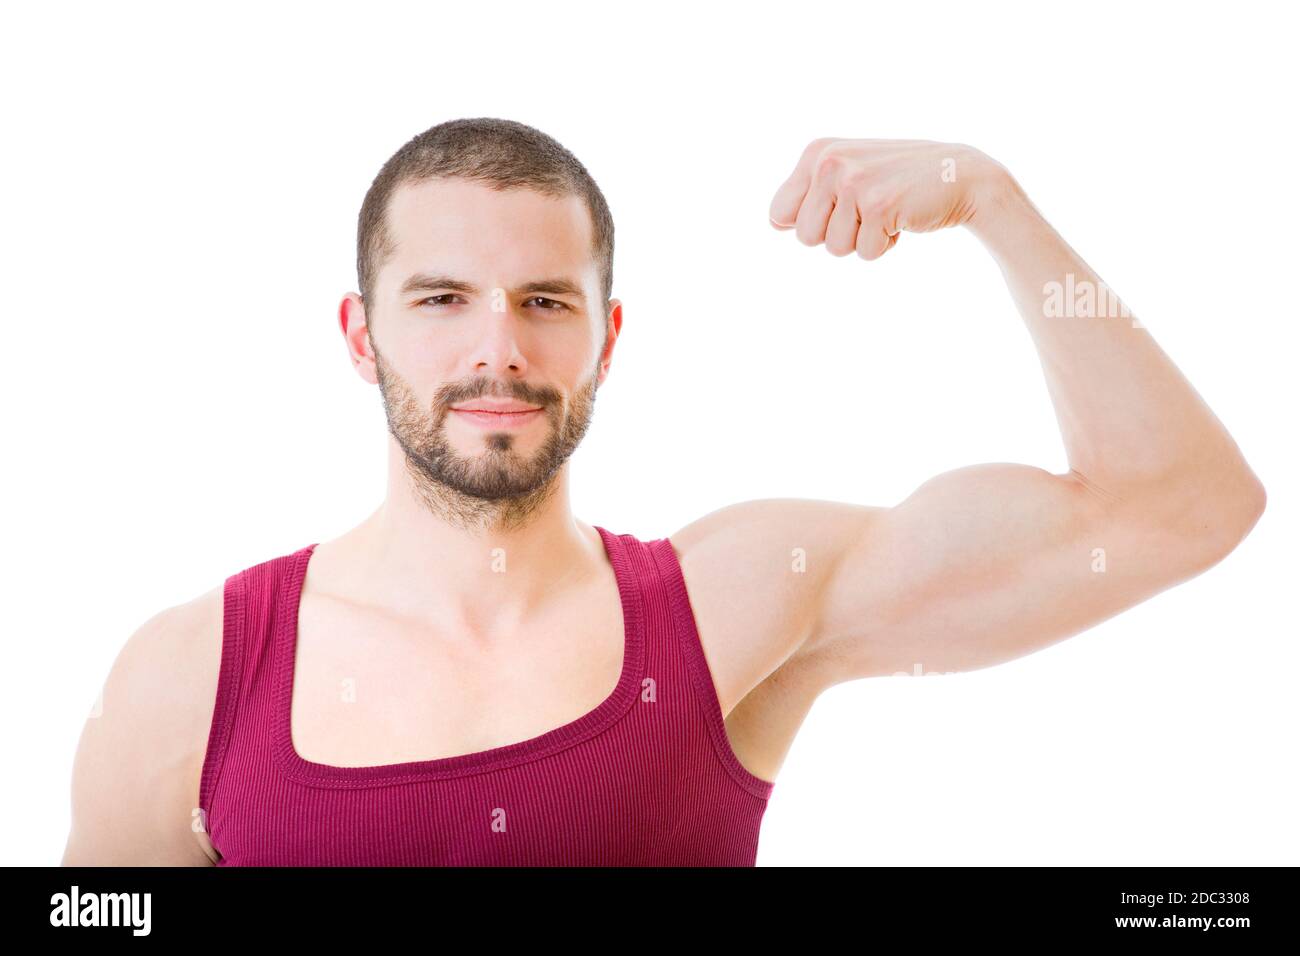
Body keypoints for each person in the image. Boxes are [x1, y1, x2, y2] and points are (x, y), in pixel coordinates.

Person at [60, 119, 1265, 866]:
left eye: (545, 300)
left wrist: (993, 198)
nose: (499, 350)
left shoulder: (735, 606)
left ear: (606, 334)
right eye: (440, 300)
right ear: (361, 336)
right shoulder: (195, 674)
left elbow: (1179, 507)